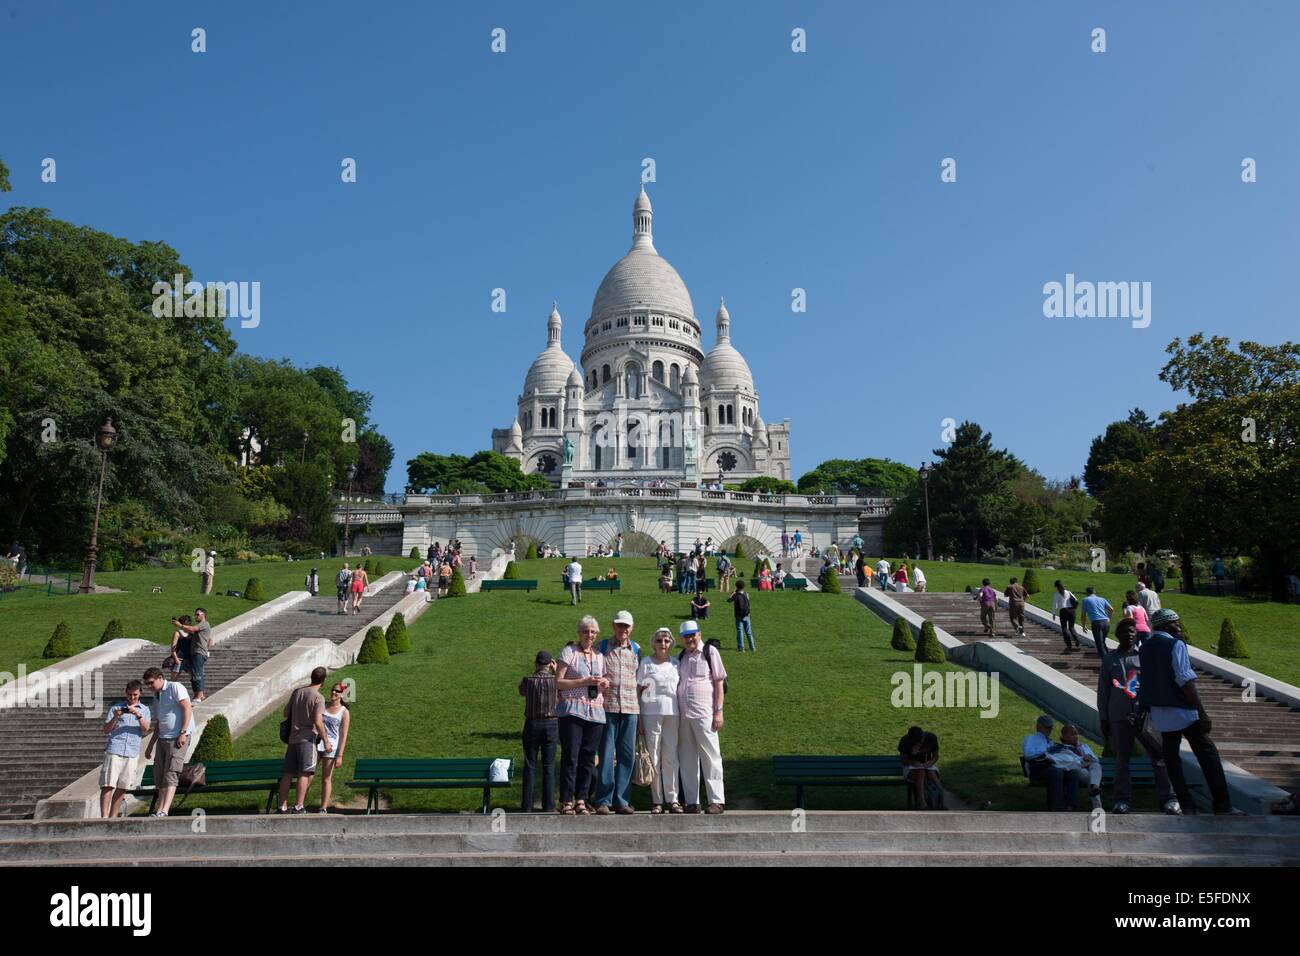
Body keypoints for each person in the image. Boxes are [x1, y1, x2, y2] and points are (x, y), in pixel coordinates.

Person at [1138, 609, 1242, 815]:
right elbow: (1184, 679)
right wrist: (1201, 711)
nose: (1179, 628)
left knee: (1172, 760)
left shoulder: (1145, 647)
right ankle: (1222, 804)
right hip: (1182, 710)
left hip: (1160, 712)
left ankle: (1187, 805)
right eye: (1176, 624)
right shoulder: (1175, 644)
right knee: (1208, 755)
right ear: (1168, 626)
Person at [1096, 619, 1178, 815]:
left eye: (1132, 631)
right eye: (1125, 631)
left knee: (1159, 757)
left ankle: (1169, 799)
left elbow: (1155, 683)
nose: (1130, 634)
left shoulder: (1145, 656)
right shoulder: (1109, 660)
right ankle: (1121, 800)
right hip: (1119, 716)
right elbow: (1103, 691)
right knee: (1121, 760)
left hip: (1146, 715)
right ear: (1118, 635)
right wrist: (1103, 717)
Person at [555, 616, 608, 814]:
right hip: (572, 710)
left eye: (593, 632)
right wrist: (582, 682)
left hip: (595, 712)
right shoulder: (569, 652)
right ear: (579, 632)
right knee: (571, 756)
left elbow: (600, 681)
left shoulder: (599, 656)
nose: (590, 635)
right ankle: (567, 800)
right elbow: (558, 682)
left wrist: (603, 684)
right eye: (586, 631)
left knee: (588, 759)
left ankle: (582, 799)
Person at [676, 620, 727, 813]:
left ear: (699, 633)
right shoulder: (682, 656)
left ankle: (716, 800)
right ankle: (691, 801)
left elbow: (719, 682)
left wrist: (719, 711)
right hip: (684, 715)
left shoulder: (710, 652)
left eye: (692, 635)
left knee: (711, 757)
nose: (690, 639)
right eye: (686, 636)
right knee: (687, 759)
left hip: (705, 713)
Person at [595, 610, 640, 814]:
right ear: (614, 626)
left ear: (631, 628)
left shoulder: (637, 649)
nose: (623, 629)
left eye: (626, 626)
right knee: (606, 754)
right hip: (608, 707)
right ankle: (603, 800)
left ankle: (622, 800)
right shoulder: (603, 647)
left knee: (627, 755)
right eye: (619, 625)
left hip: (631, 708)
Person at [634, 627, 682, 815]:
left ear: (671, 643)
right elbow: (638, 691)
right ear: (653, 643)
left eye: (666, 641)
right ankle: (657, 800)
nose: (663, 644)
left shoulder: (676, 664)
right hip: (650, 713)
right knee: (653, 756)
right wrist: (638, 717)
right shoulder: (646, 663)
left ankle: (673, 799)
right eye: (659, 640)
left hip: (672, 713)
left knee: (671, 757)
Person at [141, 666, 194, 818]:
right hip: (163, 738)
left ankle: (164, 810)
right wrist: (150, 745)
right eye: (147, 684)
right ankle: (160, 809)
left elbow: (187, 708)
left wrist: (182, 733)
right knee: (159, 776)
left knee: (171, 772)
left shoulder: (175, 687)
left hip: (177, 737)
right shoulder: (157, 696)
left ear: (160, 678)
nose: (149, 687)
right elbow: (159, 723)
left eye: (151, 683)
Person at [99, 680, 151, 818]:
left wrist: (138, 715)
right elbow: (106, 730)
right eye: (129, 695)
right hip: (114, 749)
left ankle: (113, 816)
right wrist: (116, 717)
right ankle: (104, 816)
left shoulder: (145, 710)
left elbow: (146, 730)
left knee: (123, 786)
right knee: (108, 784)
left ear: (140, 693)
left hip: (132, 751)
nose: (132, 698)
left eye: (135, 695)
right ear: (125, 693)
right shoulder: (116, 708)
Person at [519, 650, 558, 813]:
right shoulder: (556, 681)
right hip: (551, 724)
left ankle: (527, 805)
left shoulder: (528, 680)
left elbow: (521, 691)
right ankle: (548, 805)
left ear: (536, 663)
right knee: (549, 766)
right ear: (549, 664)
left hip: (532, 724)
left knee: (530, 765)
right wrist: (556, 672)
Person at [1022, 714, 1076, 811]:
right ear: (1038, 726)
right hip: (1037, 769)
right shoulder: (1031, 738)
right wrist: (1046, 750)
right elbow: (1027, 754)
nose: (1049, 729)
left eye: (1050, 727)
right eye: (1047, 727)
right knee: (1056, 772)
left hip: (1050, 766)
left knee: (1073, 772)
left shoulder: (1050, 742)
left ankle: (1070, 805)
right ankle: (1057, 807)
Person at [317, 680, 351, 813]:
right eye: (333, 690)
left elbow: (344, 735)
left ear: (342, 694)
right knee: (309, 775)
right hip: (316, 744)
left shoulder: (344, 711)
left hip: (331, 747)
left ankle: (323, 807)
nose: (334, 692)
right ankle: (300, 805)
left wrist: (340, 755)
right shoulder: (323, 706)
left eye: (337, 691)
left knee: (326, 778)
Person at [1052, 723, 1103, 810]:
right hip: (1077, 770)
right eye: (1072, 734)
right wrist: (1083, 760)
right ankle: (1097, 805)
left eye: (1076, 734)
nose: (1075, 736)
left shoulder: (1083, 746)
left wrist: (1090, 757)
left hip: (1090, 768)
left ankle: (1094, 787)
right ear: (1064, 737)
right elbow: (1070, 763)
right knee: (1091, 778)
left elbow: (1095, 760)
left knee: (1096, 766)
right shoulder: (1061, 749)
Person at [170, 608, 213, 703]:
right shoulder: (200, 626)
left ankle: (198, 697)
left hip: (198, 653)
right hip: (194, 654)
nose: (196, 616)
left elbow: (192, 629)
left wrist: (180, 625)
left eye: (198, 614)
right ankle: (199, 696)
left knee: (197, 674)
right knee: (195, 674)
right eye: (195, 614)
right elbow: (209, 639)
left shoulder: (204, 623)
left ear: (203, 615)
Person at [1050, 580, 1082, 651]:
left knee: (1064, 628)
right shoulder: (1068, 592)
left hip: (1063, 611)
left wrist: (1054, 614)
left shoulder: (1057, 594)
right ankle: (1077, 640)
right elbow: (1076, 600)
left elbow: (1055, 605)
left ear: (1056, 587)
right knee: (1071, 627)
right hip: (1072, 611)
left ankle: (1069, 645)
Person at [728, 580, 755, 652]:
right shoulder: (746, 594)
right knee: (749, 632)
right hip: (747, 615)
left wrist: (732, 593)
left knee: (740, 631)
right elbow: (748, 603)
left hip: (738, 616)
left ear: (736, 586)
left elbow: (729, 600)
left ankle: (741, 648)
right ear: (743, 586)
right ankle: (752, 647)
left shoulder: (735, 595)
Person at [166, 614, 192, 681]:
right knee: (174, 679)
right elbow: (173, 648)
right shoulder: (177, 633)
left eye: (189, 623)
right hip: (178, 658)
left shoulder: (191, 634)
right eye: (186, 623)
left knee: (194, 676)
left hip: (188, 659)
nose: (188, 625)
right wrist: (176, 659)